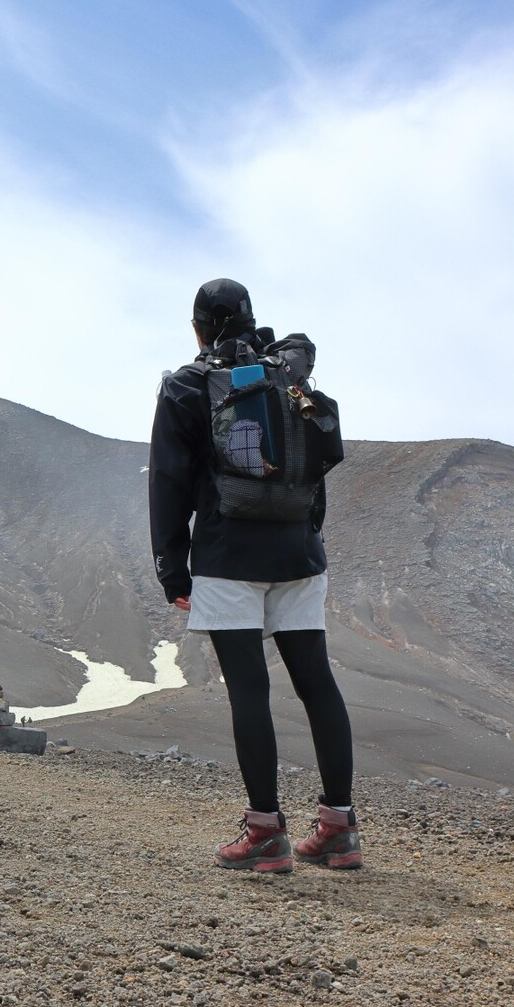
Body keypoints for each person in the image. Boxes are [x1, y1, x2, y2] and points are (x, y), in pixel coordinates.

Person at [148, 279, 361, 871]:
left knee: (250, 692)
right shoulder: (288, 376)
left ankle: (265, 833)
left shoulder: (188, 385)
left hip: (228, 558)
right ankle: (338, 829)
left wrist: (173, 568)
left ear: (199, 328)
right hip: (299, 555)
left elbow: (167, 481)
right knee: (317, 685)